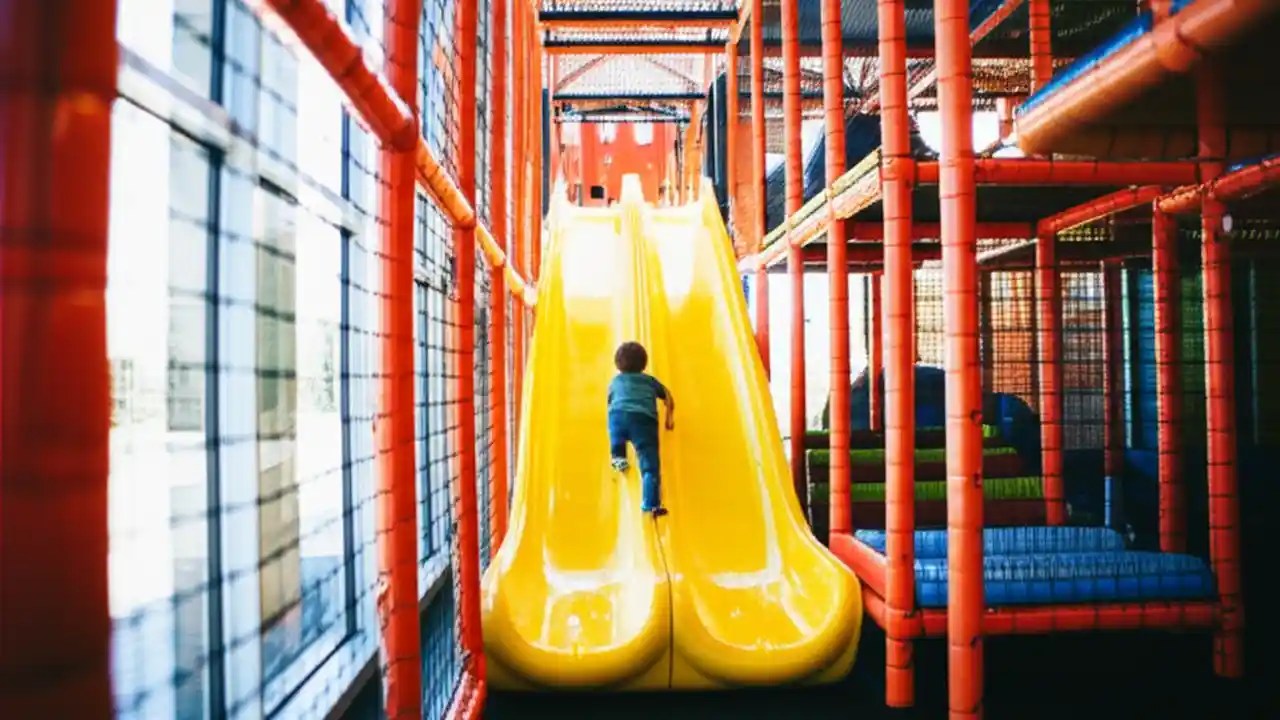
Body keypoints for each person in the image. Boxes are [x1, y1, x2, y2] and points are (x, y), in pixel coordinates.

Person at [607, 341, 675, 517]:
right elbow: (667, 396)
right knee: (649, 465)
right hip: (643, 421)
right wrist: (669, 418)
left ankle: (618, 455)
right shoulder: (649, 381)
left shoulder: (615, 382)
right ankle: (650, 503)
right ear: (644, 364)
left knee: (616, 432)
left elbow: (610, 401)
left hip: (618, 416)